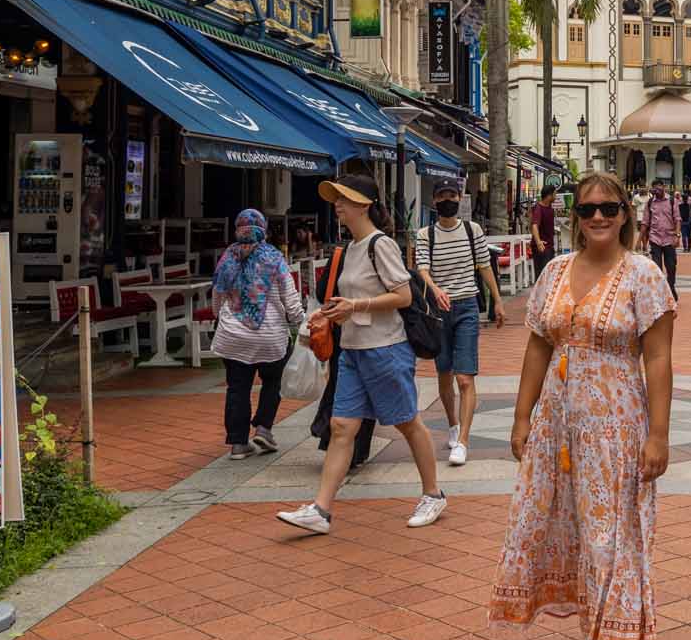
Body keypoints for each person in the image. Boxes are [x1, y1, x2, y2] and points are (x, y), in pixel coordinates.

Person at [490, 170, 674, 640]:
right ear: (575, 215)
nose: (597, 217)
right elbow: (537, 346)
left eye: (608, 208)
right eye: (587, 208)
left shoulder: (643, 275)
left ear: (625, 215)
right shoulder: (554, 271)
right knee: (572, 533)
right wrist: (522, 416)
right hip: (558, 425)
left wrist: (658, 434)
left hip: (616, 425)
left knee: (615, 539)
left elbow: (658, 359)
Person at [277, 175, 447, 535]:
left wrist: (355, 305)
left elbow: (403, 296)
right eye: (336, 198)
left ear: (365, 204)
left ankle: (433, 494)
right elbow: (352, 299)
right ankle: (321, 510)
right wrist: (331, 313)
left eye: (345, 198)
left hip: (385, 349)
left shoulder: (380, 245)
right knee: (341, 427)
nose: (337, 204)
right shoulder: (350, 248)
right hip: (352, 350)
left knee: (406, 422)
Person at [416, 180, 505, 467]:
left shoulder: (472, 230)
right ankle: (453, 425)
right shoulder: (425, 235)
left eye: (452, 195)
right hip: (439, 310)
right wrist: (434, 289)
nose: (448, 200)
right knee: (444, 374)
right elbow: (422, 269)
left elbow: (484, 265)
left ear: (460, 198)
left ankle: (463, 442)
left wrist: (497, 300)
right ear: (434, 200)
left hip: (467, 307)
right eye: (442, 196)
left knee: (464, 378)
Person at [210, 209, 306, 457]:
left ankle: (238, 444)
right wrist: (301, 322)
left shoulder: (227, 258)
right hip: (270, 336)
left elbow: (216, 296)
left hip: (233, 336)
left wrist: (220, 317)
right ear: (263, 230)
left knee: (237, 387)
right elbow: (290, 298)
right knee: (273, 381)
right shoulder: (274, 258)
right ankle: (263, 428)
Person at [642, 182, 679, 298]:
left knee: (671, 267)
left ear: (664, 187)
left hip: (669, 239)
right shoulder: (650, 203)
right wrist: (641, 242)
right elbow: (645, 222)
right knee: (657, 269)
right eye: (654, 188)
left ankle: (671, 287)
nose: (656, 190)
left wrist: (677, 236)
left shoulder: (672, 201)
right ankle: (661, 292)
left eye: (659, 187)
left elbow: (677, 219)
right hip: (655, 239)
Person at [529, 183, 559, 278]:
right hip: (542, 247)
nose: (556, 196)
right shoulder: (539, 208)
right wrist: (538, 242)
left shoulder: (549, 208)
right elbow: (534, 225)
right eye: (554, 194)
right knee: (542, 277)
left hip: (549, 246)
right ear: (549, 195)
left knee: (549, 276)